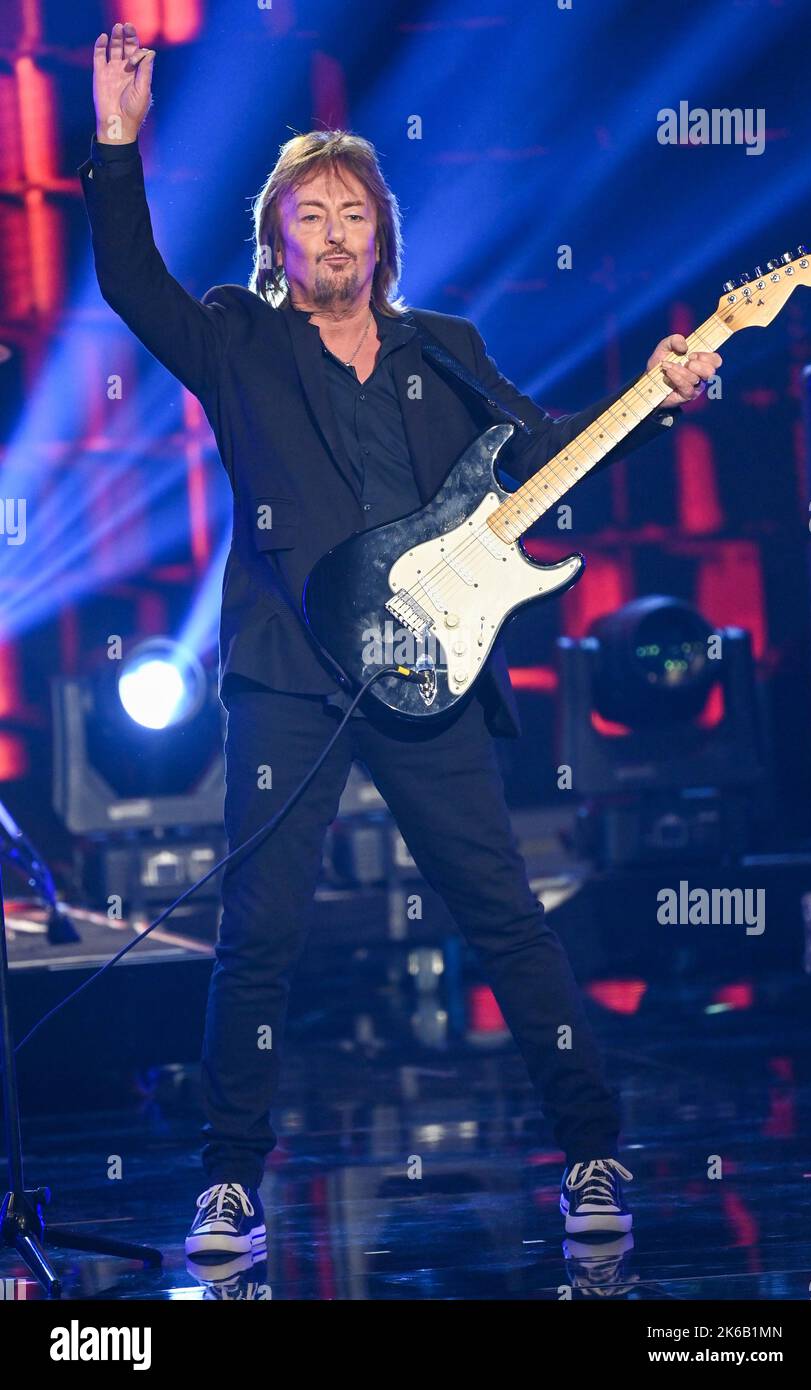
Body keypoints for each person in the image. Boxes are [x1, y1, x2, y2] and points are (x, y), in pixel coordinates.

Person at [82, 22, 722, 1254]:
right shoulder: (237, 339)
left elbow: (547, 456)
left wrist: (653, 393)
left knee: (499, 909)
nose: (333, 234)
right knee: (258, 929)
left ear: (381, 236)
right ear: (277, 240)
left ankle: (590, 1153)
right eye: (309, 215)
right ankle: (230, 1181)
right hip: (289, 675)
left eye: (353, 215)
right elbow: (129, 284)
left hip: (430, 673)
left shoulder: (447, 350)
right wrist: (116, 142)